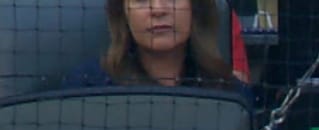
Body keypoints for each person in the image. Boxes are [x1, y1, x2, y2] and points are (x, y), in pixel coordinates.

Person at [62, 0, 245, 89]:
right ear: (123, 13)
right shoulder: (87, 87)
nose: (158, 9)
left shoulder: (227, 89)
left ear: (195, 8)